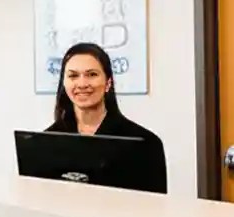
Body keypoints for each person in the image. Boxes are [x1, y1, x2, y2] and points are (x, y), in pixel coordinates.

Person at [47, 42, 167, 193]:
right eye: (73, 76)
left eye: (92, 74)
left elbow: (153, 210)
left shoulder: (146, 144)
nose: (82, 83)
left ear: (108, 83)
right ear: (64, 83)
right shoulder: (46, 142)